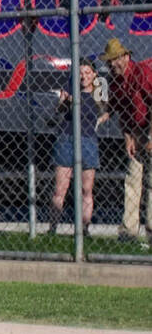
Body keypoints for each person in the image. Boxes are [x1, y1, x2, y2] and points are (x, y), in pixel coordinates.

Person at [47, 59, 109, 236]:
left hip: (88, 140)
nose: (84, 76)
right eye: (81, 72)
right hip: (67, 138)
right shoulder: (69, 90)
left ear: (94, 75)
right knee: (60, 189)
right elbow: (58, 110)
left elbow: (105, 111)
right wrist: (64, 101)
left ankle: (84, 228)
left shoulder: (97, 94)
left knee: (86, 189)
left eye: (88, 73)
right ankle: (52, 228)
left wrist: (100, 119)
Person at [102, 37, 152, 246]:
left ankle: (151, 230)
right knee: (132, 179)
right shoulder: (115, 82)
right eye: (110, 61)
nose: (113, 65)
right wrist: (128, 139)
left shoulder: (142, 73)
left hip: (149, 128)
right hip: (136, 131)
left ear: (126, 57)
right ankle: (129, 231)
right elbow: (121, 111)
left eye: (116, 60)